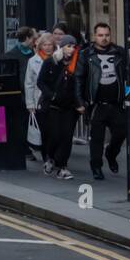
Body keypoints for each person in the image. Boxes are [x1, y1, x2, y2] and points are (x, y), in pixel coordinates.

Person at [77, 22, 130, 181]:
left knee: (122, 132)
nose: (104, 38)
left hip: (116, 103)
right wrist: (80, 101)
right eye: (100, 35)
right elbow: (79, 79)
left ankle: (111, 153)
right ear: (95, 36)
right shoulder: (86, 54)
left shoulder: (119, 52)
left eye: (107, 35)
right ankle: (96, 166)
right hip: (96, 104)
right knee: (96, 138)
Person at [36, 35, 85, 180]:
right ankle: (50, 157)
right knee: (54, 135)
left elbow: (80, 84)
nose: (71, 49)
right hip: (53, 106)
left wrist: (81, 103)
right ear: (62, 46)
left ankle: (62, 167)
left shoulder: (78, 64)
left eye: (73, 46)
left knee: (67, 137)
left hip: (70, 106)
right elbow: (41, 82)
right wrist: (51, 96)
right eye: (68, 46)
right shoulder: (51, 62)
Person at [23, 32, 55, 163]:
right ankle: (46, 155)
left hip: (56, 99)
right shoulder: (33, 61)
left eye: (50, 45)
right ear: (40, 46)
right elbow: (29, 83)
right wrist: (30, 104)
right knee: (45, 130)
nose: (48, 47)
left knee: (56, 130)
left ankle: (54, 154)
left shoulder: (58, 58)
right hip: (39, 100)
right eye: (45, 45)